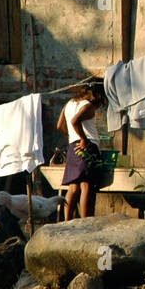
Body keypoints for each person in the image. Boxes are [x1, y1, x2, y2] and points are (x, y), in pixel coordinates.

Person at [57, 82, 106, 220]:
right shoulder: (88, 106)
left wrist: (73, 137)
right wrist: (83, 139)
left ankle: (66, 221)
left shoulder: (70, 103)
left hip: (73, 147)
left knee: (73, 187)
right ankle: (85, 221)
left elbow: (60, 125)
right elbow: (74, 121)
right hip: (87, 146)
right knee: (86, 185)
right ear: (96, 96)